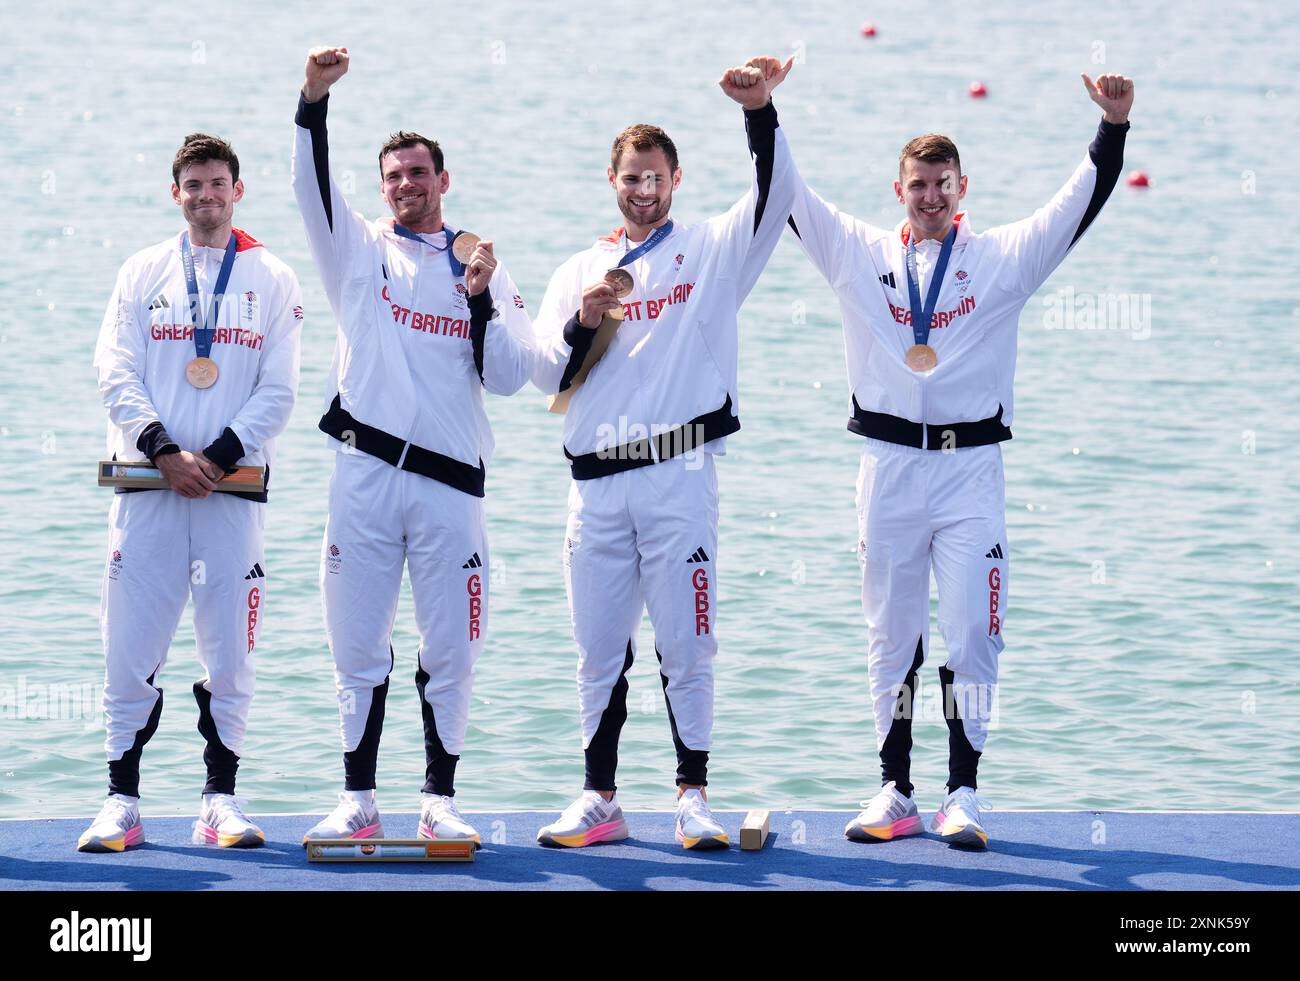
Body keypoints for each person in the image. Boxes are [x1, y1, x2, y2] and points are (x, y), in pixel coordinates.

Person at [787, 73, 1134, 848]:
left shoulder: (1003, 258)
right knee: (891, 633)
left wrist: (1113, 125)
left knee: (975, 631)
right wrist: (761, 112)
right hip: (887, 466)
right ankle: (893, 788)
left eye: (943, 185)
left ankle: (963, 791)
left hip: (970, 470)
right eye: (918, 185)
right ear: (899, 190)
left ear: (962, 188)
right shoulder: (858, 254)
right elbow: (789, 195)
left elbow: (1079, 202)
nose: (931, 197)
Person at [530, 56, 795, 850]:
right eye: (629, 176)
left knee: (687, 644)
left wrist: (760, 113)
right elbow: (541, 371)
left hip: (680, 476)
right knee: (597, 651)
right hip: (596, 487)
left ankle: (691, 795)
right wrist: (582, 319)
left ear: (676, 177)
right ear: (611, 180)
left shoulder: (713, 250)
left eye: (655, 175)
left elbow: (777, 195)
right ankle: (599, 797)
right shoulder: (581, 267)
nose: (642, 188)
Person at [292, 46, 536, 847]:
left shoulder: (482, 265)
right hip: (364, 474)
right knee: (357, 646)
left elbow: (507, 377)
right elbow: (308, 186)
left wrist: (479, 304)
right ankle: (359, 797)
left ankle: (438, 799)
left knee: (451, 648)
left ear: (443, 180)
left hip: (450, 486)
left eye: (419, 172)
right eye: (393, 174)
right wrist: (314, 101)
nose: (405, 184)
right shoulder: (358, 253)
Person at [82, 133, 303, 852]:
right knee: (127, 646)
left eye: (217, 183)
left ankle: (220, 798)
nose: (205, 195)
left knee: (231, 651)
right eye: (193, 185)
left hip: (230, 493)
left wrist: (216, 457)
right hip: (149, 487)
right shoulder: (142, 271)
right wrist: (165, 451)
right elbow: (115, 371)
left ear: (238, 190)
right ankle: (121, 800)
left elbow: (281, 388)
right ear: (175, 193)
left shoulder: (272, 277)